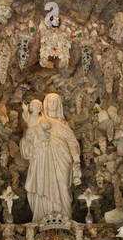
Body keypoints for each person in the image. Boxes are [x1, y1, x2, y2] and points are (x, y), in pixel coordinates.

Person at [20, 91, 81, 224]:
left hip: (62, 157)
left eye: (55, 102)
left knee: (63, 186)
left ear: (59, 105)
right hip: (42, 159)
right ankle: (41, 216)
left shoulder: (64, 124)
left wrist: (76, 160)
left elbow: (72, 142)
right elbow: (29, 138)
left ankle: (64, 215)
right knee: (42, 183)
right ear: (45, 104)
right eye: (50, 101)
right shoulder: (39, 120)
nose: (52, 104)